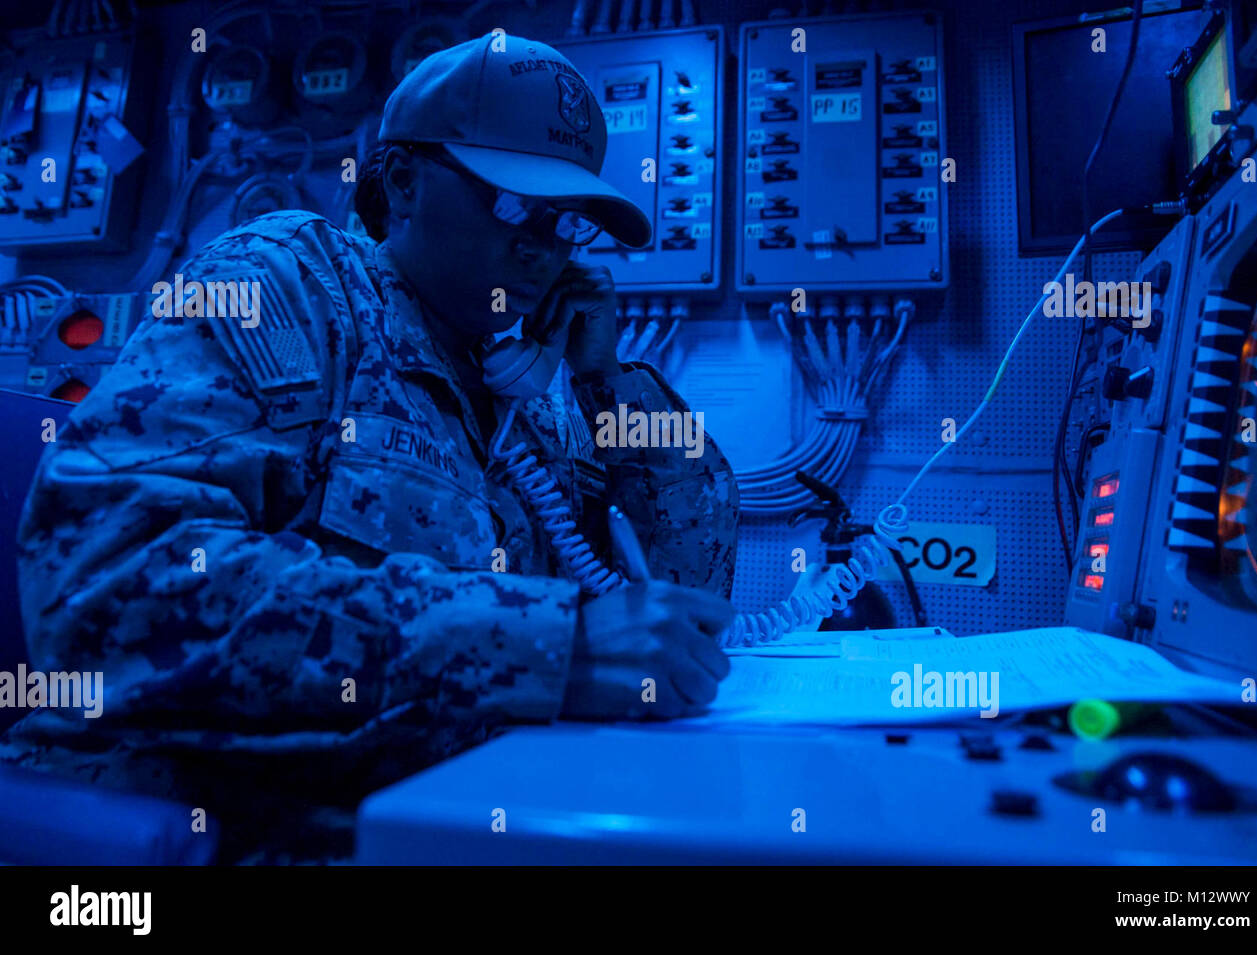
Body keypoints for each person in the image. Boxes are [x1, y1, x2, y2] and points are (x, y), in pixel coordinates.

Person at [0, 33, 739, 863]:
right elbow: (112, 585)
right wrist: (547, 644)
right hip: (211, 825)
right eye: (510, 203)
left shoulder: (531, 392)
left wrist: (607, 387)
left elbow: (682, 616)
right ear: (402, 182)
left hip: (439, 818)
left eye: (568, 222)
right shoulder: (287, 286)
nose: (541, 245)